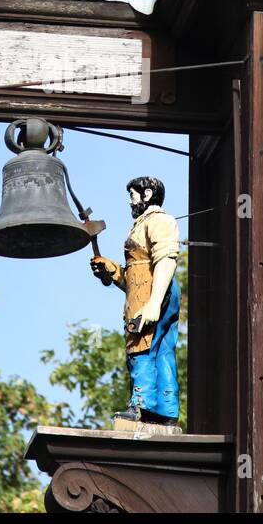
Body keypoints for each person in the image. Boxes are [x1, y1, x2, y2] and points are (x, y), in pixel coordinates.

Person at [90, 176, 181, 425]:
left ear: (147, 194)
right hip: (147, 291)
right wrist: (112, 271)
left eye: (132, 195)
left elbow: (166, 261)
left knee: (140, 346)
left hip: (157, 292)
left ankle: (141, 406)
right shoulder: (143, 224)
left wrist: (153, 303)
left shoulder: (159, 221)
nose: (130, 202)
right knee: (161, 351)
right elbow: (135, 277)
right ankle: (165, 411)